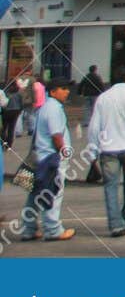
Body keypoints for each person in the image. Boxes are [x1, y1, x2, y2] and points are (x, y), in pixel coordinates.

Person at [85, 63, 125, 237]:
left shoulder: (103, 97)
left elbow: (94, 127)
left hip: (108, 149)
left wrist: (93, 150)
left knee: (111, 186)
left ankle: (115, 224)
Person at [18, 78, 75, 243]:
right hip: (51, 158)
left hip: (38, 157)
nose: (67, 91)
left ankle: (28, 229)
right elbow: (56, 135)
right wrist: (64, 152)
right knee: (53, 193)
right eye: (63, 88)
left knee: (35, 194)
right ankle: (53, 230)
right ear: (53, 91)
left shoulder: (44, 107)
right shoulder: (54, 108)